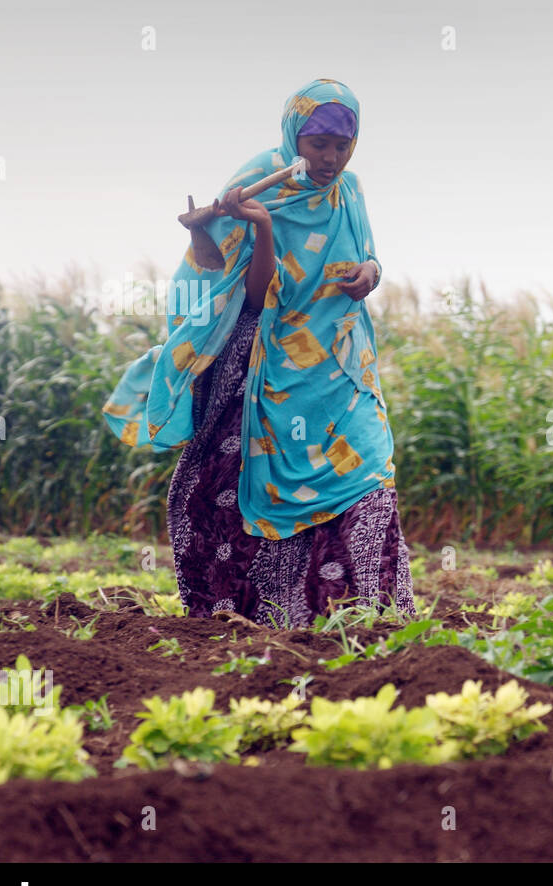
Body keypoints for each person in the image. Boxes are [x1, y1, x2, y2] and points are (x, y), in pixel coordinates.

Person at [102, 78, 414, 628]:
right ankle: (254, 611)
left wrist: (371, 273)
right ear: (296, 135)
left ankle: (367, 612)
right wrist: (255, 227)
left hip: (338, 363)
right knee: (238, 481)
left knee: (367, 468)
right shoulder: (256, 185)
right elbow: (246, 291)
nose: (331, 157)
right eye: (319, 144)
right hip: (268, 361)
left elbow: (367, 257)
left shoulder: (350, 191)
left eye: (343, 146)